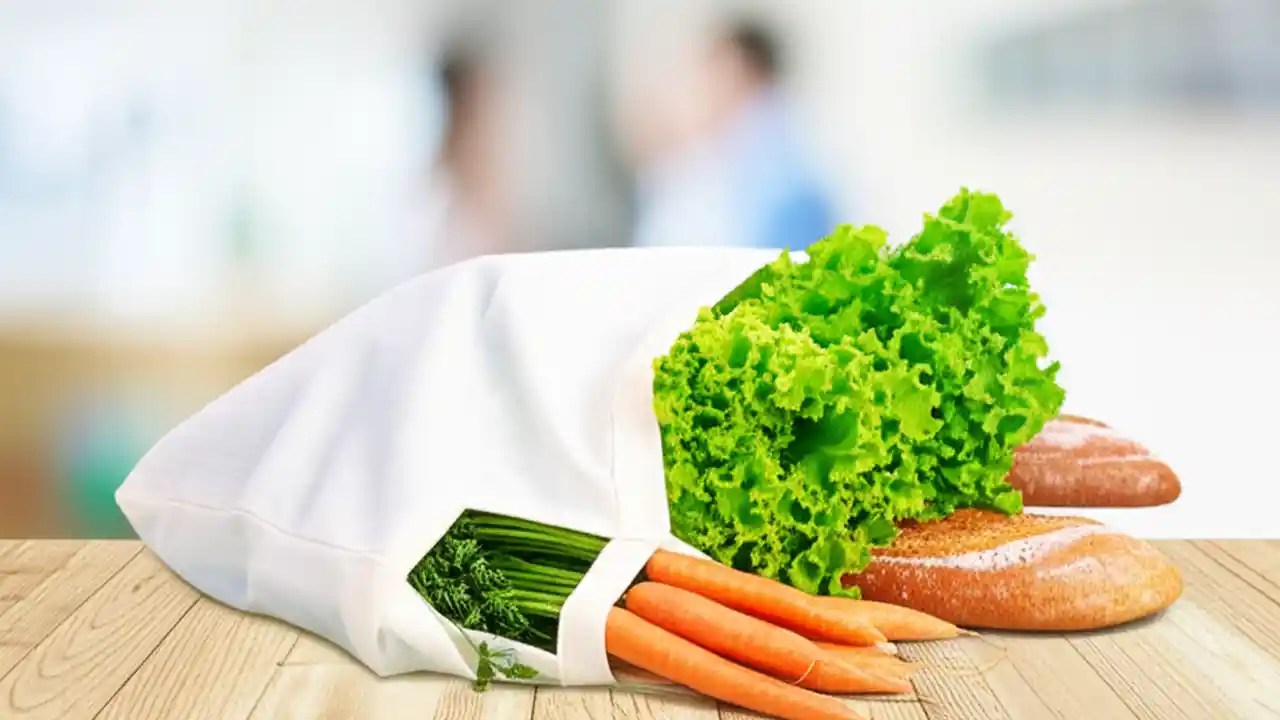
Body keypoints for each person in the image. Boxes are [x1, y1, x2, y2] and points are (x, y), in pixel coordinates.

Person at [626, 19, 838, 251]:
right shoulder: (719, 157)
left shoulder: (774, 172)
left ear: (744, 71)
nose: (703, 86)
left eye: (715, 69)